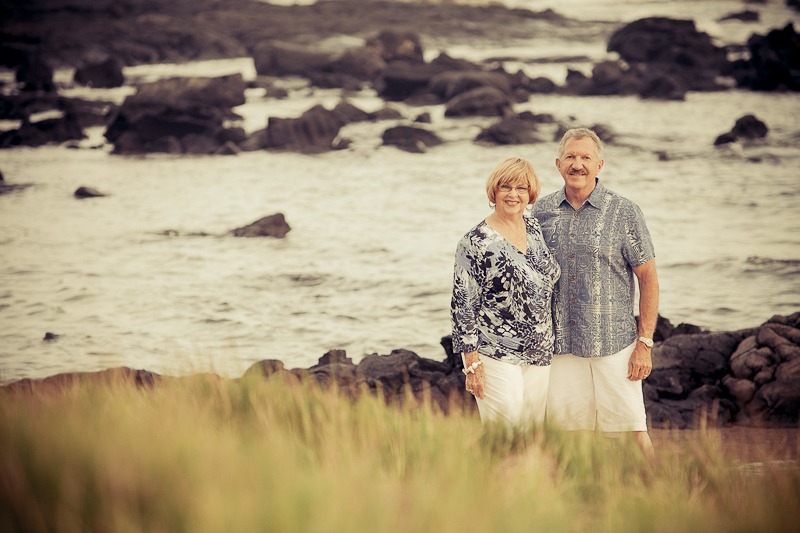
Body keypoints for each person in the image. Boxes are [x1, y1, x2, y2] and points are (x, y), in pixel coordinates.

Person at [533, 128, 659, 459]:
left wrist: (644, 344)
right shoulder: (541, 213)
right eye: (571, 157)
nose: (578, 164)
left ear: (599, 164)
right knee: (569, 439)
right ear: (558, 164)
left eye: (585, 157)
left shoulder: (624, 212)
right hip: (561, 345)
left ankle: (665, 492)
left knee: (633, 432)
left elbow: (648, 278)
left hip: (614, 343)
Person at [450, 157, 561, 427]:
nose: (514, 194)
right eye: (506, 187)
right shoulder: (475, 241)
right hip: (496, 352)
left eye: (521, 188)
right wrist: (472, 365)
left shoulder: (534, 228)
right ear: (494, 192)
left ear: (530, 194)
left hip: (540, 351)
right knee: (506, 434)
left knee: (532, 433)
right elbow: (462, 306)